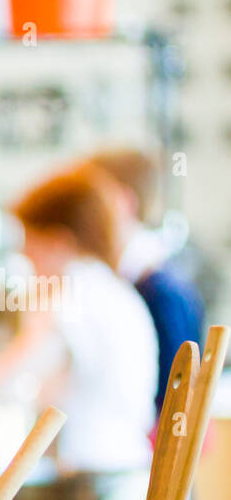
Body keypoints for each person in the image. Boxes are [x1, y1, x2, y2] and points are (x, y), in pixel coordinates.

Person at [0, 165, 158, 500]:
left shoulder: (67, 296)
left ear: (60, 241)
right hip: (130, 474)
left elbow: (5, 378)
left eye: (29, 244)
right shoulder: (117, 291)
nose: (25, 258)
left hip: (87, 483)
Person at [87, 149, 204, 413]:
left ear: (123, 201)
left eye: (90, 199)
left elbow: (175, 403)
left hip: (156, 442)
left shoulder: (160, 291)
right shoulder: (140, 279)